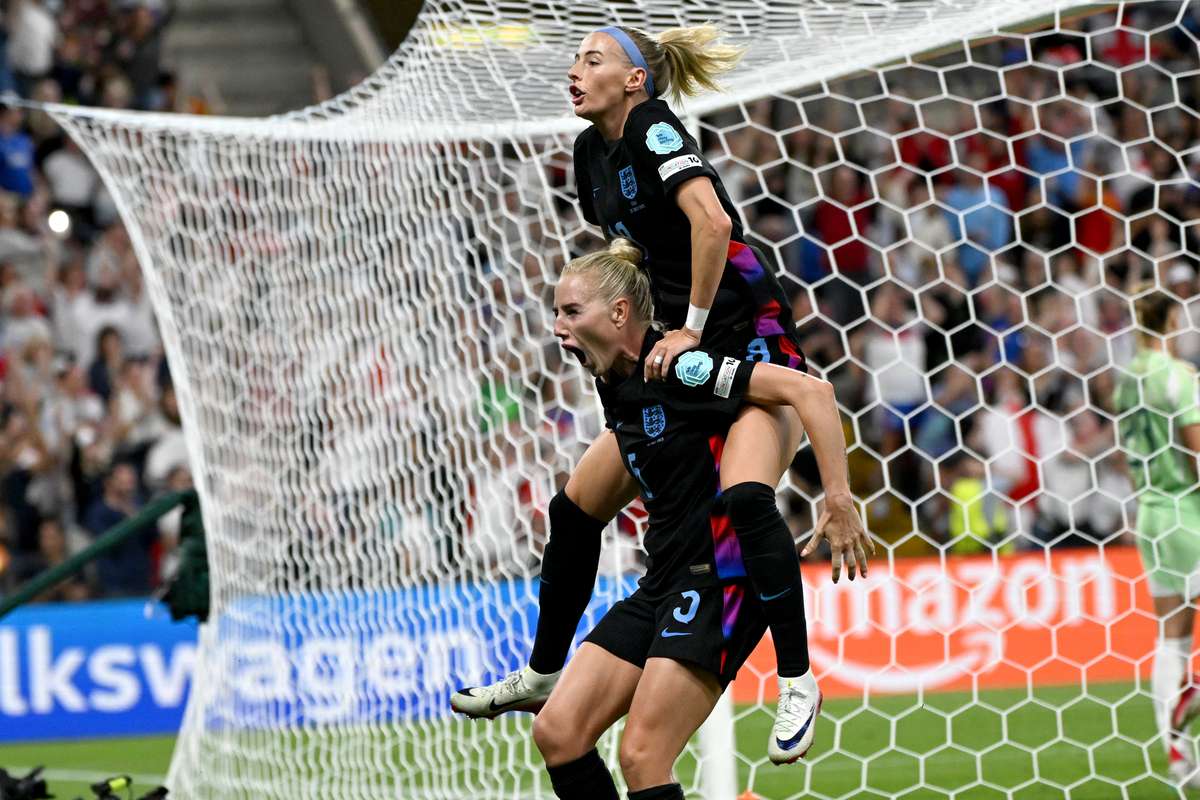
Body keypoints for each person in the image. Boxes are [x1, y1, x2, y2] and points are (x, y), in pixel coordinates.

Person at [453, 23, 834, 761]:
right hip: (678, 348)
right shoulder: (589, 153)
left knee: (746, 497)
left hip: (744, 335)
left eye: (592, 58)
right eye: (574, 58)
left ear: (634, 80)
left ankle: (798, 680)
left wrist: (689, 327)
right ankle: (544, 671)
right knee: (574, 508)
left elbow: (712, 222)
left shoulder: (653, 127)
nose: (574, 69)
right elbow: (635, 246)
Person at [493, 243, 869, 798]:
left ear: (619, 313)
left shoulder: (683, 367)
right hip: (663, 581)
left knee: (642, 756)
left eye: (570, 312)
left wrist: (838, 499)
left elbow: (809, 390)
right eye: (556, 313)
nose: (557, 328)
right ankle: (541, 672)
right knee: (558, 732)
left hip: (719, 579)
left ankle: (798, 681)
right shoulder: (613, 380)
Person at [1112, 287, 1200, 787]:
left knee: (1173, 638)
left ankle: (1179, 758)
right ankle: (1195, 696)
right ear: (1171, 321)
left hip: (1149, 512)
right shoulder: (1177, 376)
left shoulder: (1126, 381)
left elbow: (1127, 453)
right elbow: (1196, 451)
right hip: (1186, 511)